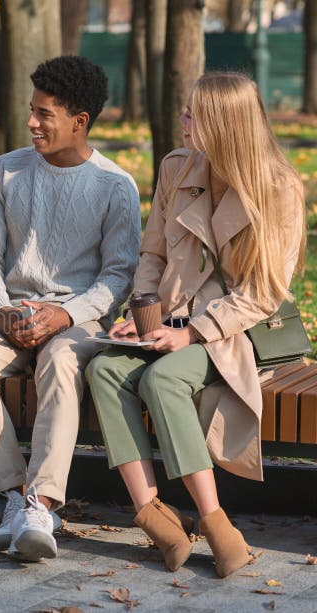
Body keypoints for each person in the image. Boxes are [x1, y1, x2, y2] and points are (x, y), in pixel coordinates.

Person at [85, 72, 306, 577]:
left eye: (194, 114)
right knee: (104, 370)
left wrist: (191, 332)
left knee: (163, 379)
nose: (182, 120)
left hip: (236, 332)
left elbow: (263, 294)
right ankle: (155, 516)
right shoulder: (177, 168)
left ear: (226, 124)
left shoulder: (279, 189)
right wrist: (141, 316)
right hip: (171, 320)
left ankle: (213, 520)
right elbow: (153, 254)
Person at [0, 56, 141, 562]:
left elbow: (118, 275)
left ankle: (43, 502)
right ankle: (15, 496)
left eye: (44, 114)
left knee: (60, 361)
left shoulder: (115, 185)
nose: (31, 122)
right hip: (11, 312)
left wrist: (66, 315)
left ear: (80, 121)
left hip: (79, 319)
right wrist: (1, 309)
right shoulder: (5, 170)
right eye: (31, 110)